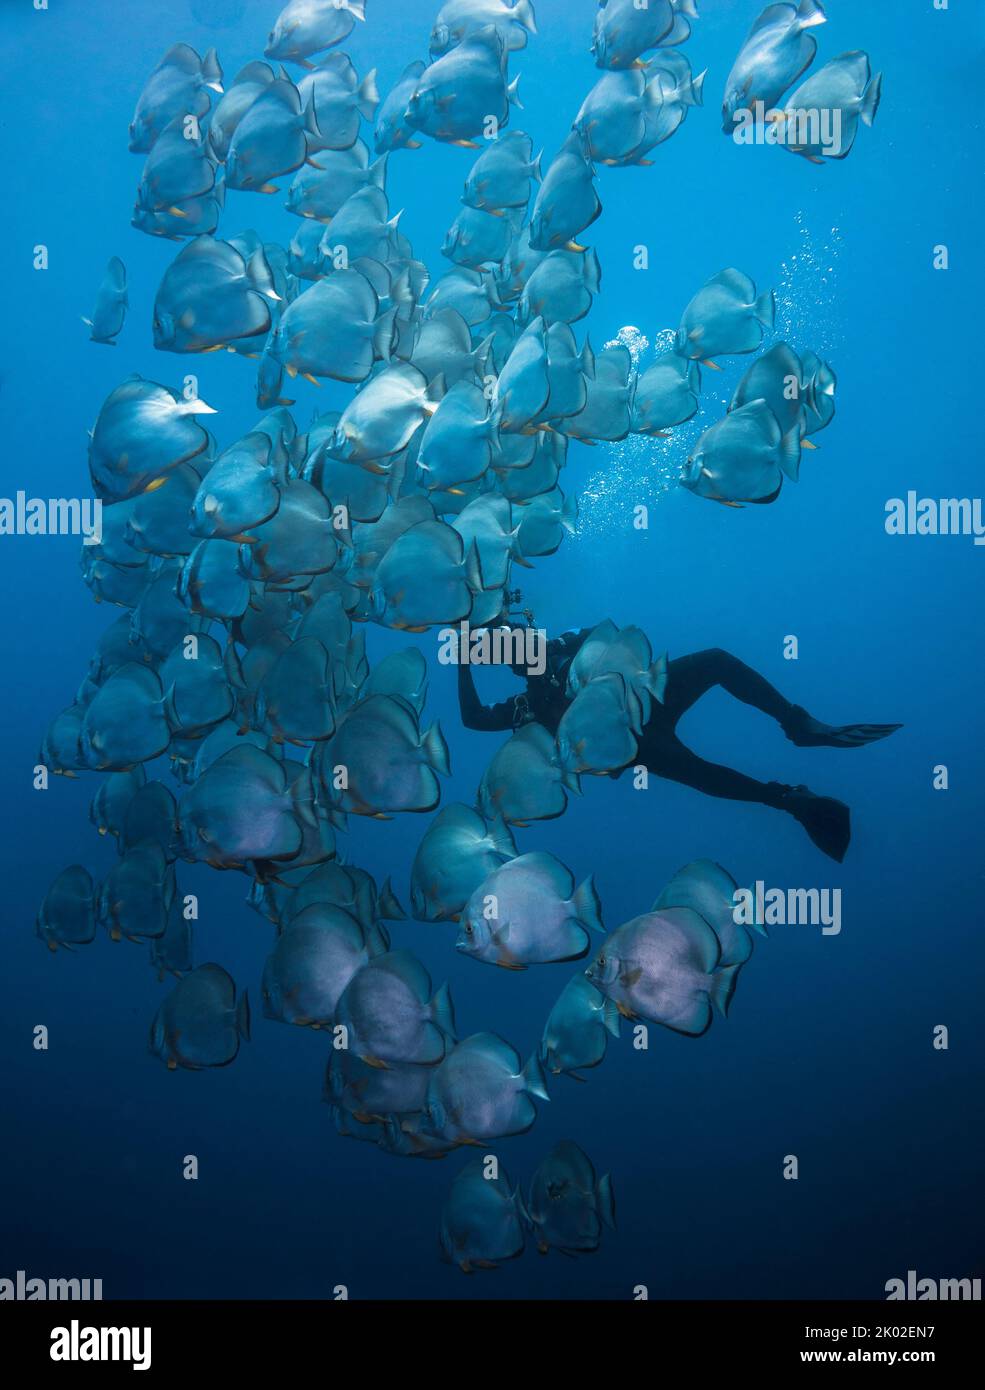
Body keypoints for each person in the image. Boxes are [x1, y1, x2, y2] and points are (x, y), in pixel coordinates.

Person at [457, 627, 901, 861]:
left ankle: (796, 723)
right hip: (636, 746)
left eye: (515, 641)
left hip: (651, 698)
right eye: (506, 651)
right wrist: (463, 662)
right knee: (701, 775)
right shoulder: (526, 707)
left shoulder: (568, 650)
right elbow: (474, 718)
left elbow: (615, 635)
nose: (518, 652)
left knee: (714, 660)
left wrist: (556, 645)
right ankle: (787, 799)